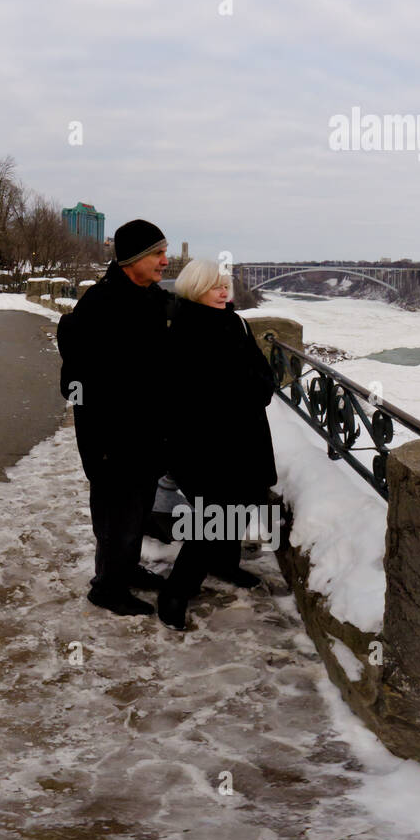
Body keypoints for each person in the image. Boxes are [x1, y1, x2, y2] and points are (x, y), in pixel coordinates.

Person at [155, 255, 280, 631]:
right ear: (195, 288)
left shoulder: (236, 323)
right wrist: (238, 393)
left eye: (225, 284)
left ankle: (226, 564)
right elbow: (186, 393)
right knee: (215, 513)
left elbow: (262, 376)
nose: (223, 290)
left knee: (247, 497)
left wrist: (245, 392)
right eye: (214, 285)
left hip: (245, 434)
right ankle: (176, 591)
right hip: (200, 442)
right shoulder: (181, 329)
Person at [60, 218, 174, 615]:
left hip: (147, 436)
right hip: (112, 439)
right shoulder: (100, 306)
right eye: (157, 253)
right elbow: (73, 380)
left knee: (137, 509)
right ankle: (107, 588)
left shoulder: (154, 299)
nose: (165, 260)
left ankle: (126, 570)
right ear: (132, 259)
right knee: (116, 514)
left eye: (164, 252)